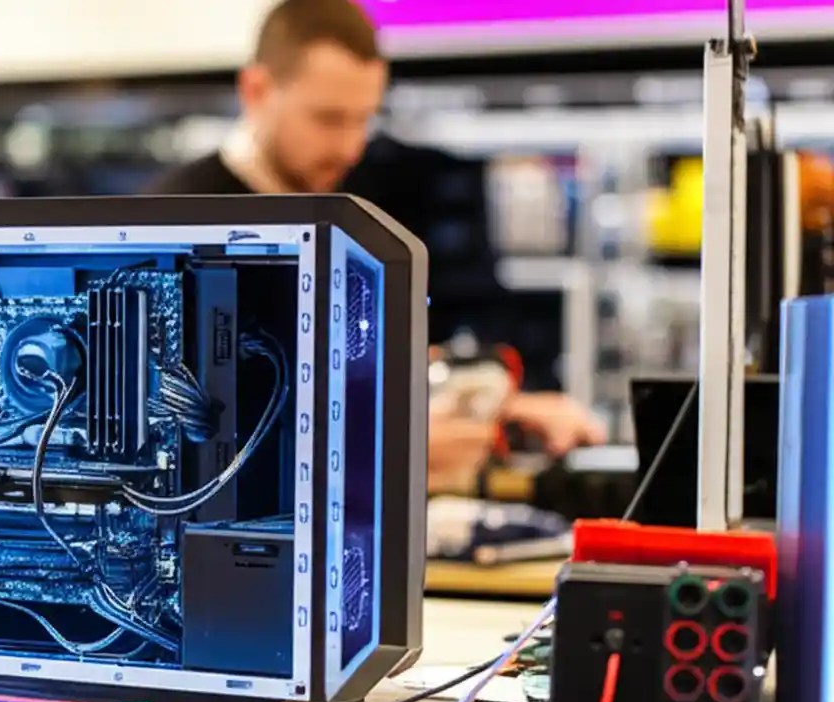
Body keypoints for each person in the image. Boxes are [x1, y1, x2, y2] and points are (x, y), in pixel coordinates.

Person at [145, 0, 605, 487]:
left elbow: (374, 366)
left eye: (363, 119)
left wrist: (499, 406)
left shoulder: (366, 203)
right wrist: (388, 454)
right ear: (256, 90)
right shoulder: (175, 218)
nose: (350, 147)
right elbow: (184, 442)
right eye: (328, 119)